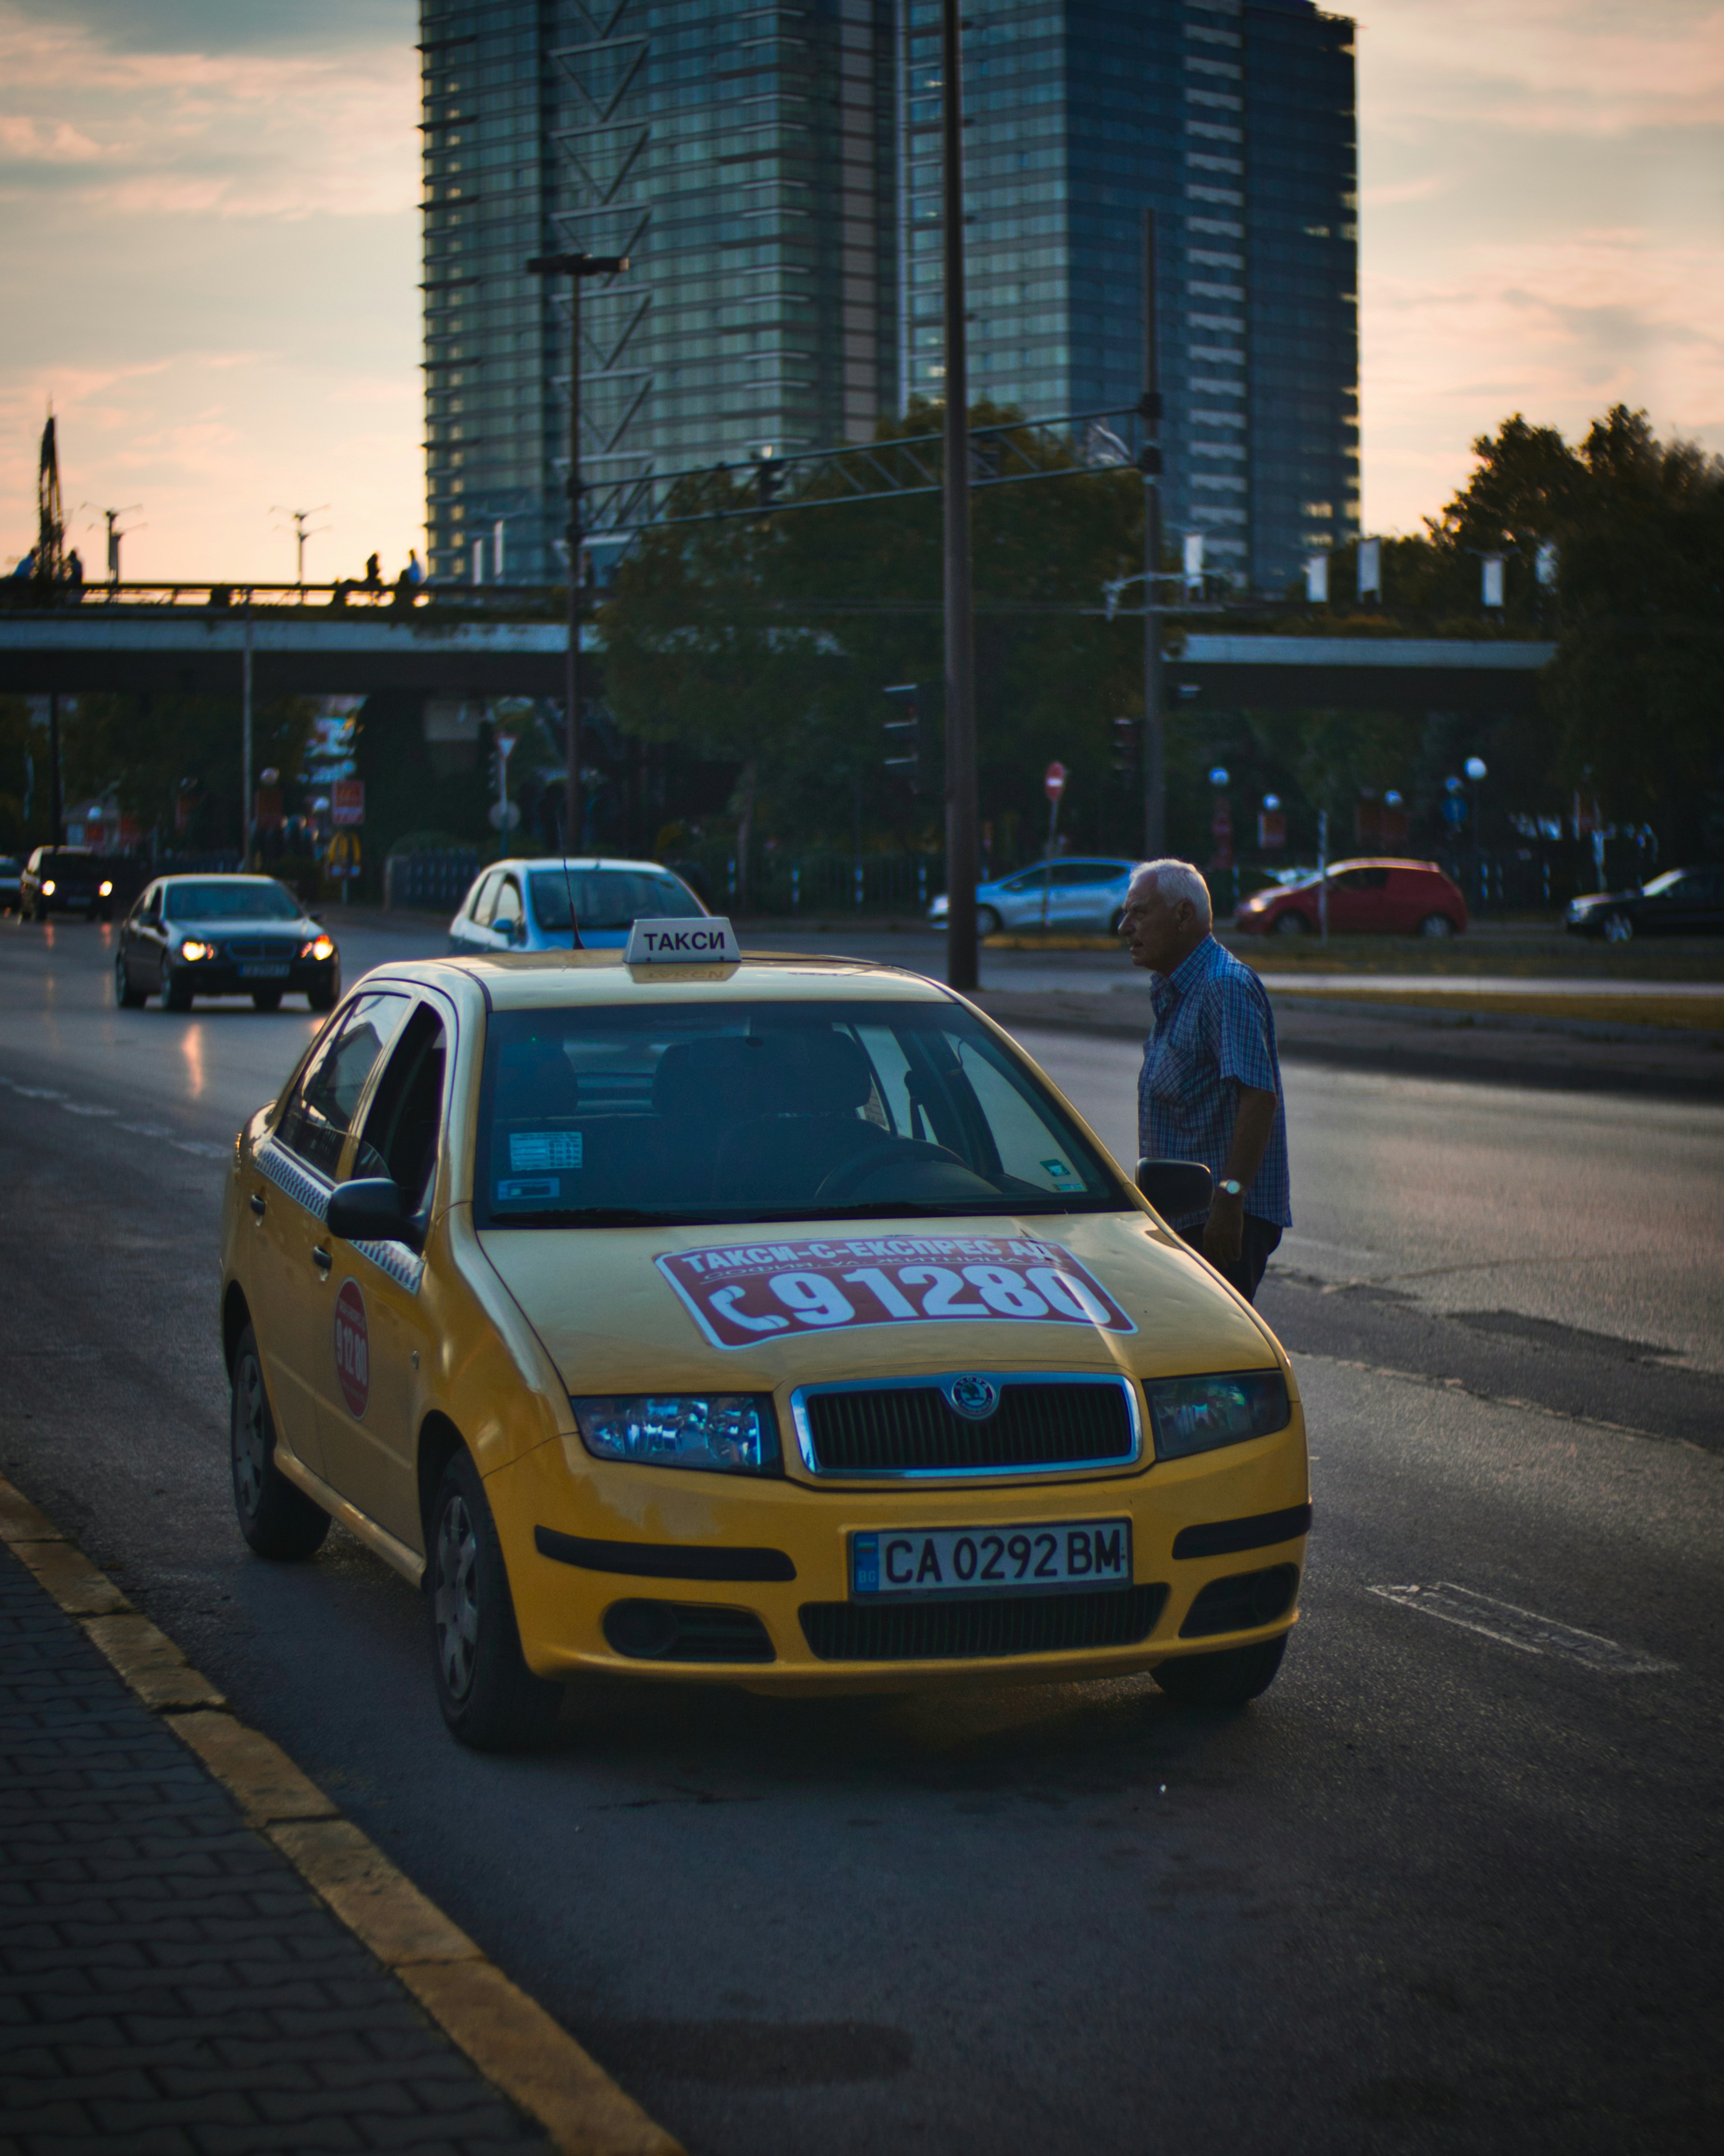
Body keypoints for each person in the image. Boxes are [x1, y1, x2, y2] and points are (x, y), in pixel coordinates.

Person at [1119, 857, 1289, 1302]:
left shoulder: (1222, 987)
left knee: (1214, 1359)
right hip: (1189, 1218)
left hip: (1220, 1222)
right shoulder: (1178, 989)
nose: (1125, 927)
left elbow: (1259, 1098)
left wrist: (1229, 1202)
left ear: (1183, 916)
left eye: (1139, 913)